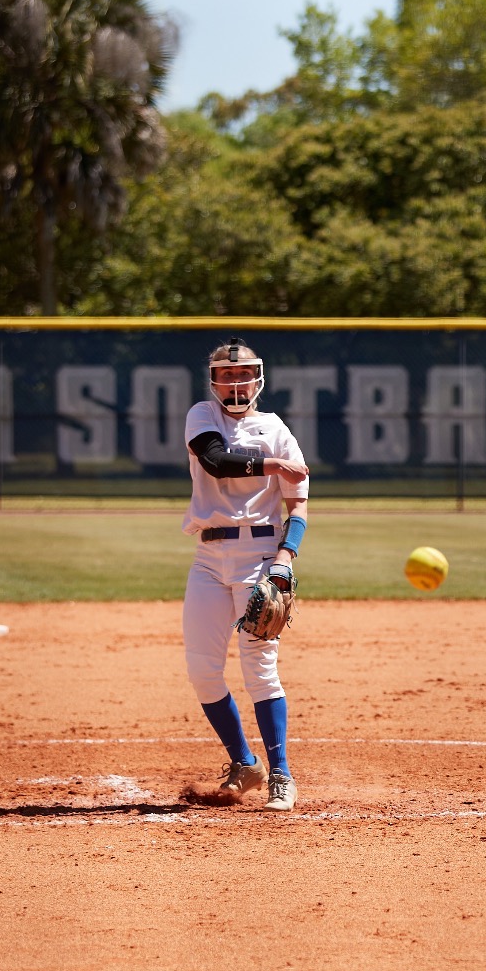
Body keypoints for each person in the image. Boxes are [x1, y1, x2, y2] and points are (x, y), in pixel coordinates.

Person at [182, 337, 310, 812]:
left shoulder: (277, 429)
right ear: (213, 380)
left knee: (260, 670)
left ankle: (281, 775)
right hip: (208, 558)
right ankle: (244, 762)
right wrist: (272, 464)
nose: (235, 382)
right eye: (226, 374)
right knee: (201, 670)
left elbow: (297, 506)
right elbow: (215, 460)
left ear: (258, 377)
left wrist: (285, 559)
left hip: (260, 556)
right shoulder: (202, 416)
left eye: (242, 373)